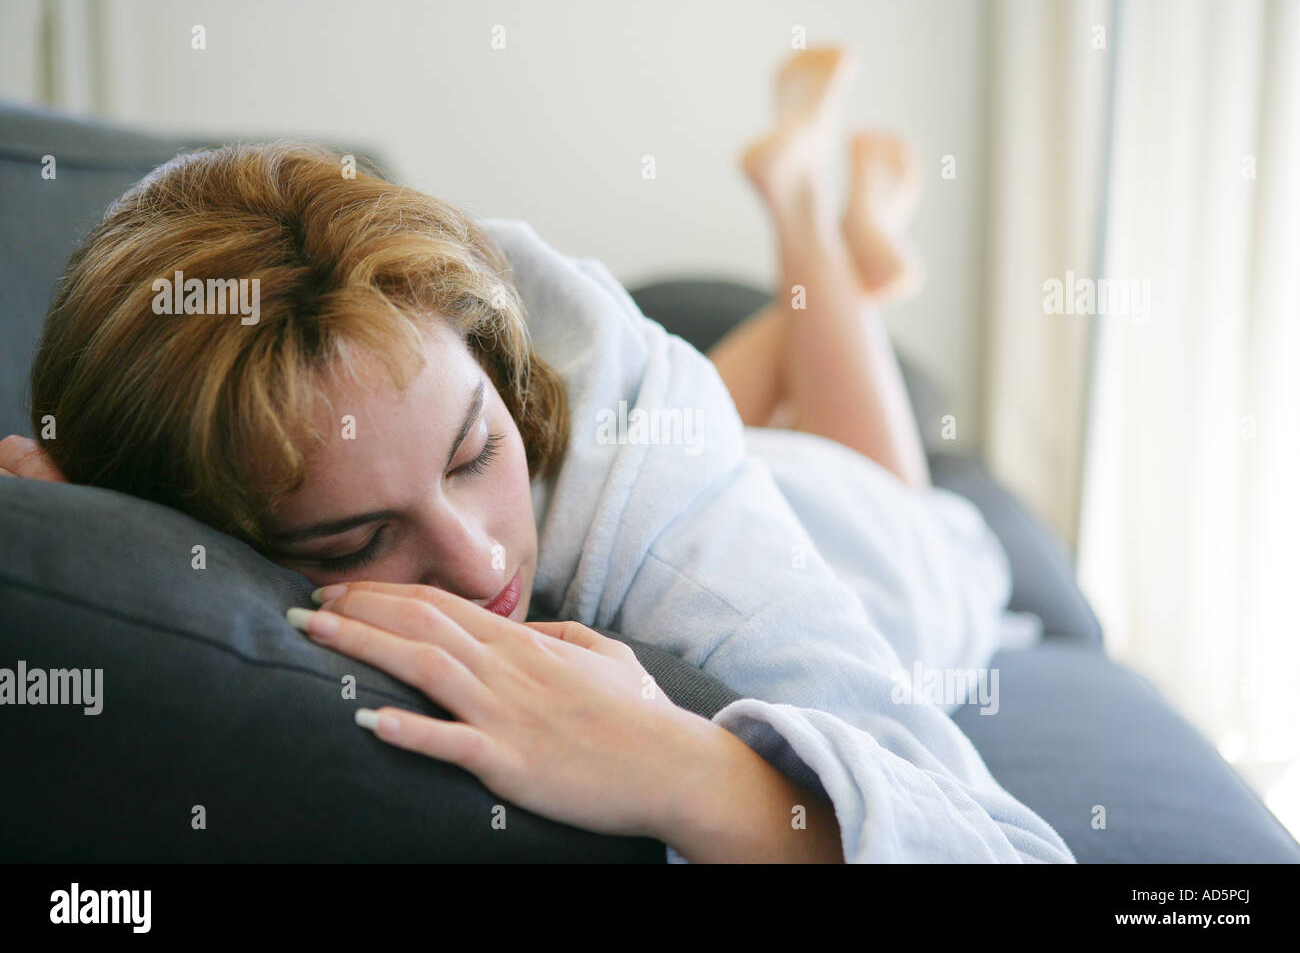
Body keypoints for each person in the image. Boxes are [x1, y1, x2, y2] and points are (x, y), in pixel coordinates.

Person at [0, 47, 1073, 863]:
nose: (476, 566)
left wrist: (689, 771)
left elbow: (1011, 849)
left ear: (502, 374)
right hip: (690, 443)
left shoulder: (682, 531)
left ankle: (804, 206)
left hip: (872, 546)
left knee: (902, 497)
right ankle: (850, 261)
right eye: (356, 535)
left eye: (474, 454)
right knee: (685, 419)